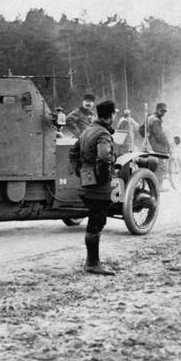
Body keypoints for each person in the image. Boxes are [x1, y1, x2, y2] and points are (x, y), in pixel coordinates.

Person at [69, 99, 119, 276]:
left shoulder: (88, 131)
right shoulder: (103, 134)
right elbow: (105, 158)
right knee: (96, 224)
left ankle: (92, 261)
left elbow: (73, 152)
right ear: (111, 116)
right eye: (114, 114)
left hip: (87, 184)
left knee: (94, 222)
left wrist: (80, 171)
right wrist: (104, 179)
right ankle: (92, 263)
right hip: (98, 188)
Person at [145, 102, 172, 188]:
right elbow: (160, 135)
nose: (163, 113)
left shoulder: (152, 117)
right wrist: (168, 145)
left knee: (156, 163)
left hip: (149, 143)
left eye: (165, 111)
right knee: (161, 163)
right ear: (157, 110)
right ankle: (158, 186)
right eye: (162, 111)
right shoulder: (155, 120)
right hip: (154, 144)